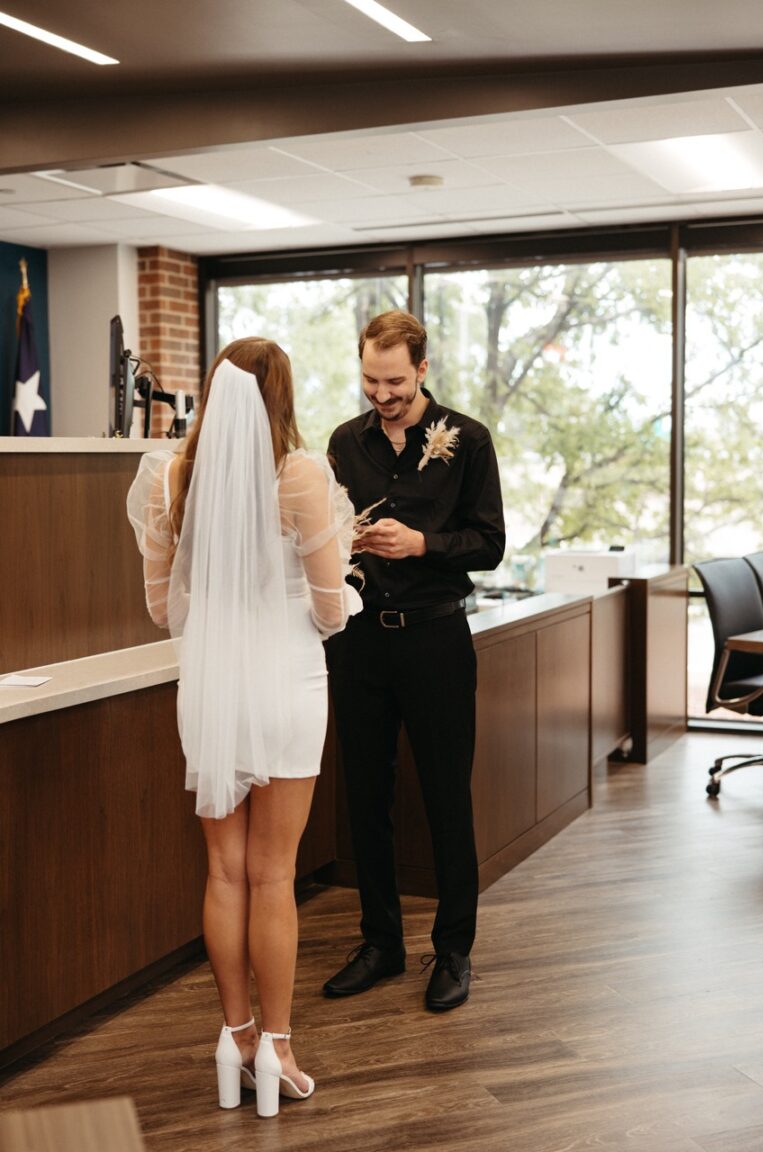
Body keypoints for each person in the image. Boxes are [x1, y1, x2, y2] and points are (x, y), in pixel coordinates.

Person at [126, 337, 361, 1117]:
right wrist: (340, 576)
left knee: (224, 871)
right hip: (285, 683)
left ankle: (235, 1035)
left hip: (211, 687)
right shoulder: (299, 475)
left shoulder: (173, 476)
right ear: (281, 397)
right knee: (274, 874)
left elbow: (166, 611)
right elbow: (329, 614)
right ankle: (280, 1049)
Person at [323, 310, 505, 1012]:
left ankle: (454, 952)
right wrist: (345, 540)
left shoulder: (469, 441)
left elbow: (489, 544)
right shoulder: (344, 442)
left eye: (395, 380)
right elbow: (326, 532)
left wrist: (423, 545)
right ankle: (381, 943)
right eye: (370, 379)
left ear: (422, 370)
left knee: (444, 799)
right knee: (365, 797)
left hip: (436, 640)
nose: (382, 393)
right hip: (361, 643)